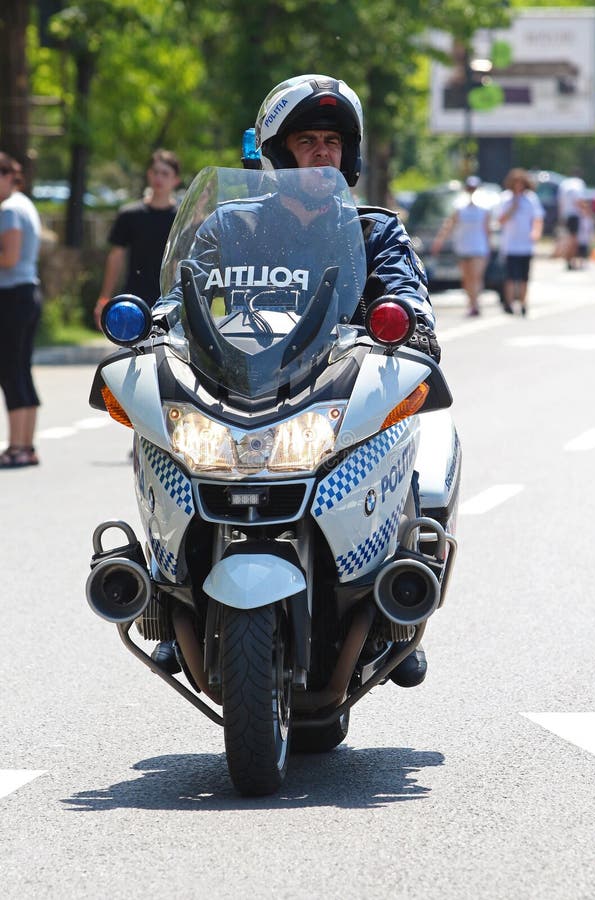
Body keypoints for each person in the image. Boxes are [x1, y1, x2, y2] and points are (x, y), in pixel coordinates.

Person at [153, 75, 439, 687]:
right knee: (162, 432)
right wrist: (157, 325)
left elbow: (408, 297)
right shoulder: (230, 226)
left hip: (333, 388)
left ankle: (400, 583)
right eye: (307, 139)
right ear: (278, 150)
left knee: (398, 421)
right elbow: (181, 297)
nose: (322, 152)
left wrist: (411, 323)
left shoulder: (374, 229)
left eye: (332, 141)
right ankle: (168, 586)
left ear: (350, 152)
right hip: (239, 385)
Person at [94, 149, 180, 327]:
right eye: (155, 172)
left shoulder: (182, 217)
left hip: (171, 301)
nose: (159, 178)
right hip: (134, 300)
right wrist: (104, 298)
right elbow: (116, 256)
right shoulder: (130, 214)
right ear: (149, 174)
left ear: (175, 180)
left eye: (165, 173)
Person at [0, 153, 42, 469]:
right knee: (21, 369)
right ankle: (25, 444)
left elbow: (9, 258)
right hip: (26, 294)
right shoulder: (24, 204)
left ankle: (16, 445)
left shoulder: (9, 209)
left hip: (12, 295)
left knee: (11, 370)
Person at [431, 175, 491, 317]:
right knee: (466, 278)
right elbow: (449, 225)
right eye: (470, 188)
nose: (472, 191)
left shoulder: (484, 208)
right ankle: (471, 303)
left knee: (476, 276)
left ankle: (475, 304)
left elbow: (487, 229)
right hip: (463, 246)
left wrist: (488, 247)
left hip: (479, 247)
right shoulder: (459, 207)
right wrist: (439, 241)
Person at [497, 168, 544, 317]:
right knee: (510, 276)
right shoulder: (506, 198)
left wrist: (535, 232)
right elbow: (501, 220)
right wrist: (513, 207)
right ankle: (509, 303)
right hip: (510, 245)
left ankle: (523, 303)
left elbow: (538, 218)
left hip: (526, 245)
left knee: (524, 277)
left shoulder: (531, 198)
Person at [557, 168, 586, 271]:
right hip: (574, 214)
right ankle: (571, 261)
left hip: (565, 214)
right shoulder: (579, 183)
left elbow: (560, 201)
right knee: (574, 240)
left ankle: (568, 260)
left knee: (568, 239)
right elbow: (578, 200)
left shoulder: (564, 184)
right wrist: (585, 212)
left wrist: (561, 216)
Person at [573, 196, 595, 269]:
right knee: (577, 252)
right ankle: (576, 264)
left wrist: (591, 237)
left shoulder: (589, 219)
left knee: (584, 251)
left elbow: (591, 229)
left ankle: (583, 264)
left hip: (585, 238)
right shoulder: (578, 218)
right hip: (578, 238)